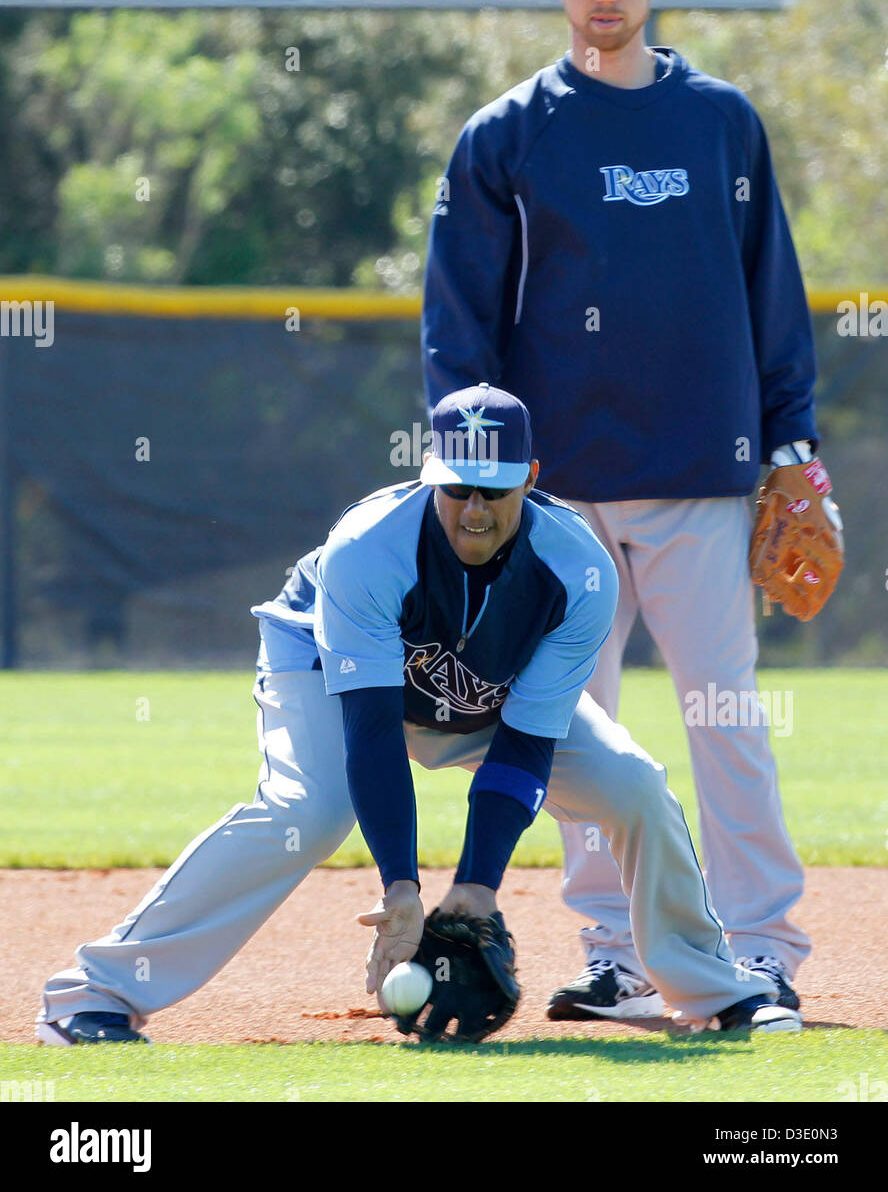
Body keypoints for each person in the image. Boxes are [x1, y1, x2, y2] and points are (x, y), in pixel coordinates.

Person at [37, 384, 802, 1045]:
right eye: (456, 487)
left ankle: (713, 987)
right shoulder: (369, 550)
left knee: (634, 785)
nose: (473, 508)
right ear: (428, 474)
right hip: (323, 665)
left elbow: (528, 743)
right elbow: (373, 734)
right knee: (309, 810)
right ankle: (93, 994)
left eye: (493, 491)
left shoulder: (578, 571)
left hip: (486, 694)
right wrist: (402, 885)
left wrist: (476, 885)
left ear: (531, 480)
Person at [422, 0, 841, 1022]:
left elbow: (773, 292)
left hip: (703, 469)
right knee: (568, 728)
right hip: (553, 493)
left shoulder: (720, 121)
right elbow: (457, 322)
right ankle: (613, 953)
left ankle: (763, 947)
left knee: (726, 719)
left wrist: (794, 441)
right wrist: (471, 472)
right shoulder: (507, 133)